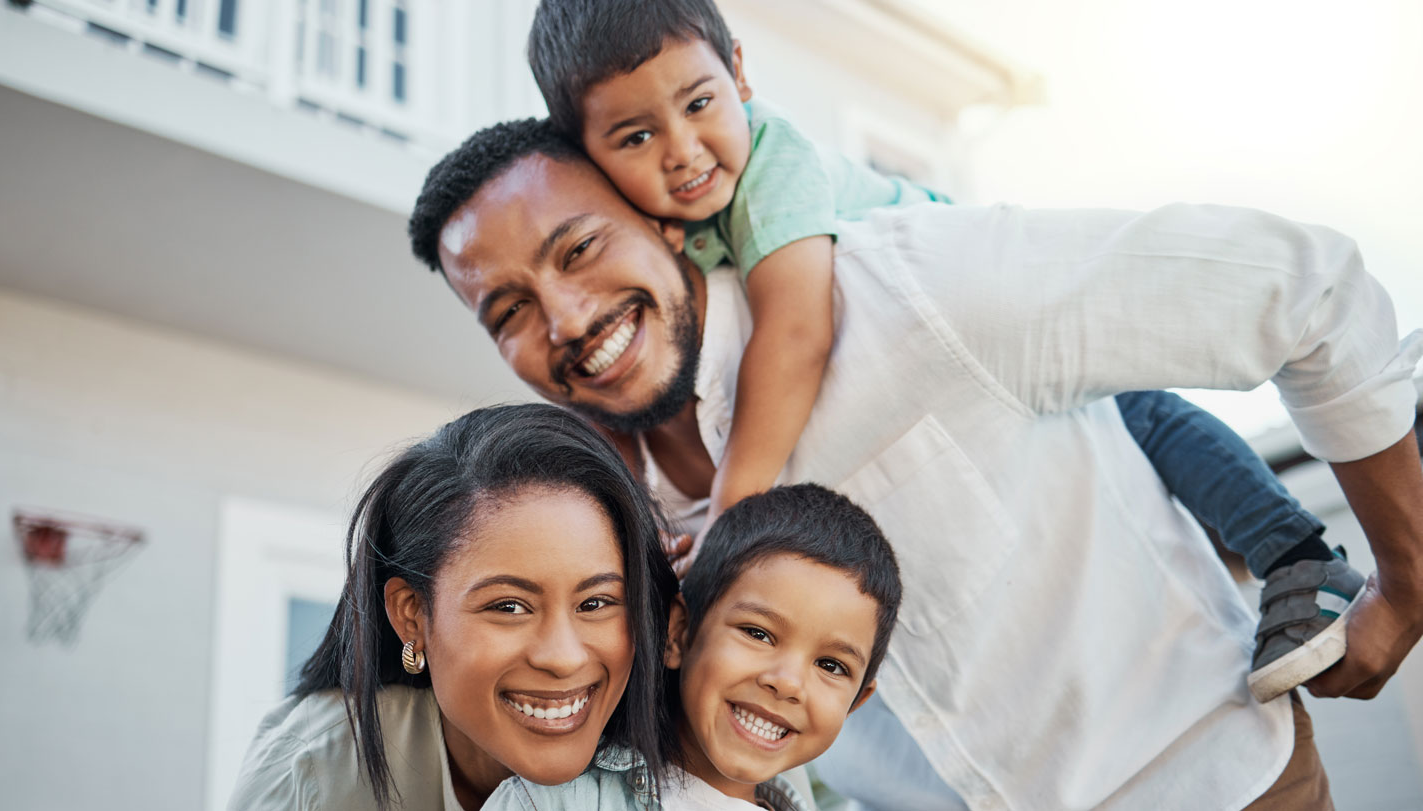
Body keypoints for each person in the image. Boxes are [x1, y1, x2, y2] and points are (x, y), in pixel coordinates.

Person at [405, 119, 1423, 809]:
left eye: (580, 249)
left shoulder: (911, 289)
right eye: (510, 309)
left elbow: (1306, 291)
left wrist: (1406, 584)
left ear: (664, 214)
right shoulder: (616, 527)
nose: (568, 319)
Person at [524, 0, 1358, 704]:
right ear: (589, 158)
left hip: (987, 305)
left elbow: (796, 328)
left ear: (741, 74)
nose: (681, 148)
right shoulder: (665, 225)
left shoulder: (775, 160)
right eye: (634, 138)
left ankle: (1297, 554)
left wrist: (736, 502)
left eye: (700, 102)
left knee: (1144, 412)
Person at [226, 404, 680, 811]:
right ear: (412, 615)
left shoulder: (687, 768)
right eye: (509, 606)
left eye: (596, 602)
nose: (563, 658)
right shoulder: (312, 768)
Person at [484, 484, 903, 811]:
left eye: (831, 665)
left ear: (858, 700)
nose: (787, 682)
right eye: (758, 633)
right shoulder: (553, 802)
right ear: (679, 633)